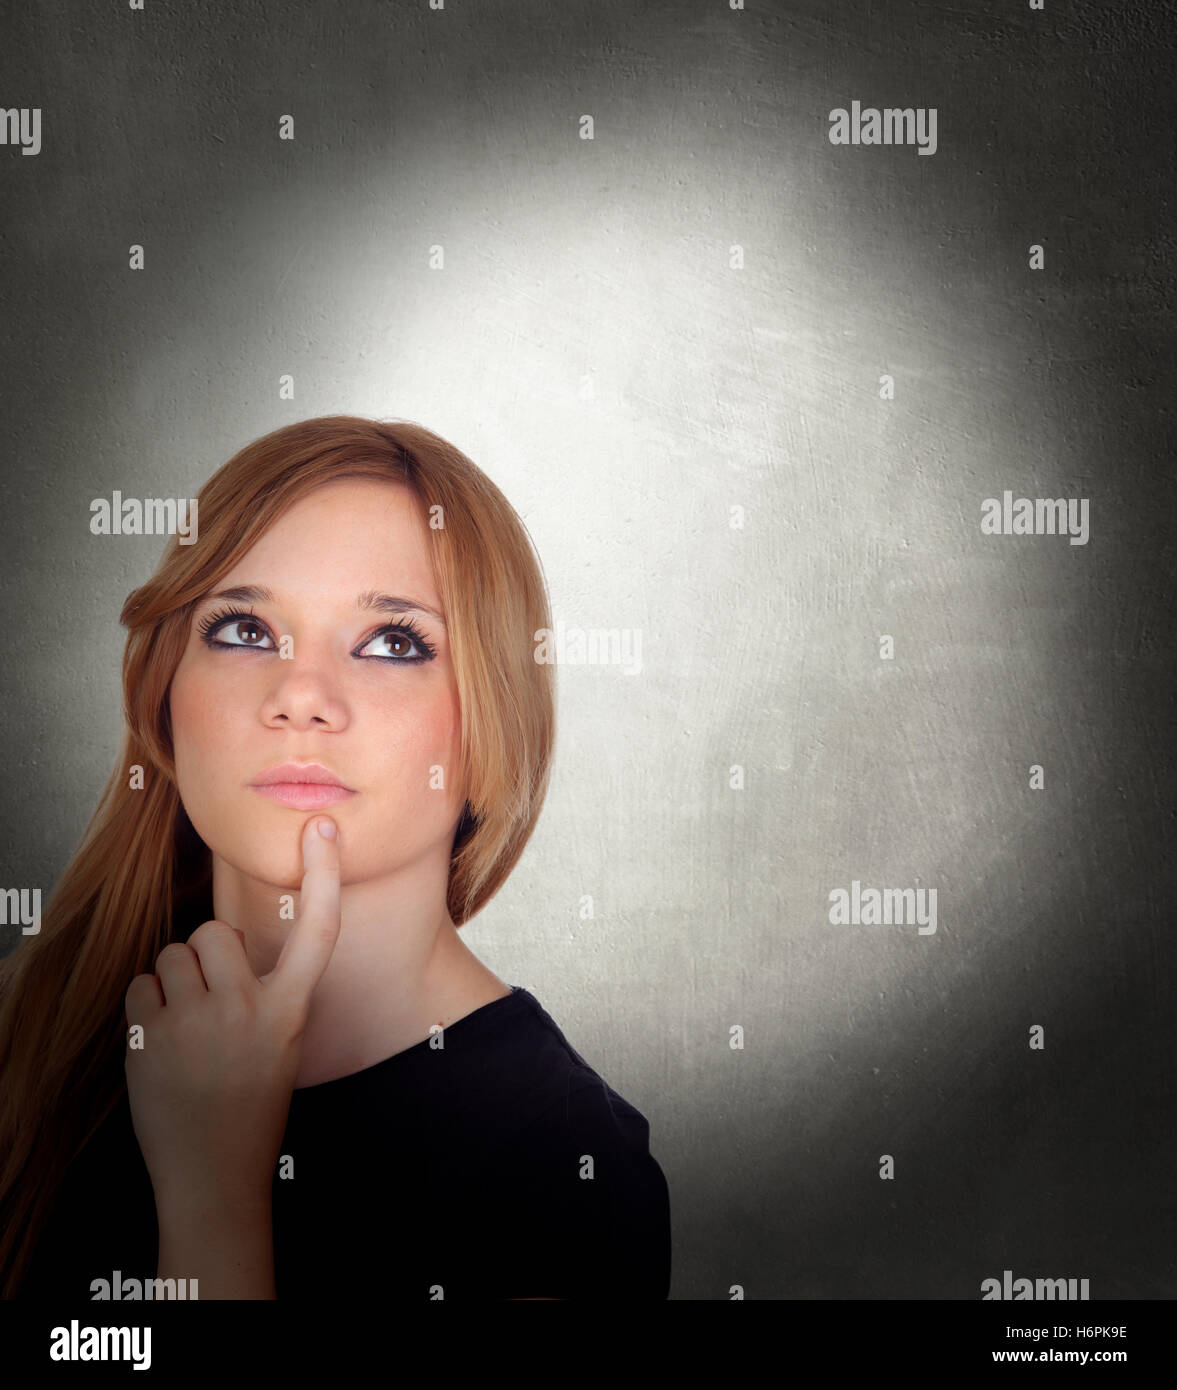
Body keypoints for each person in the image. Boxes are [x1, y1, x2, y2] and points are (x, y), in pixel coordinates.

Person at [0, 416, 671, 1299]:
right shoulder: (28, 1034)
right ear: (165, 696)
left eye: (393, 643)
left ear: (490, 723)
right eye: (242, 629)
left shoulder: (564, 1160)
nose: (299, 698)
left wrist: (212, 1200)